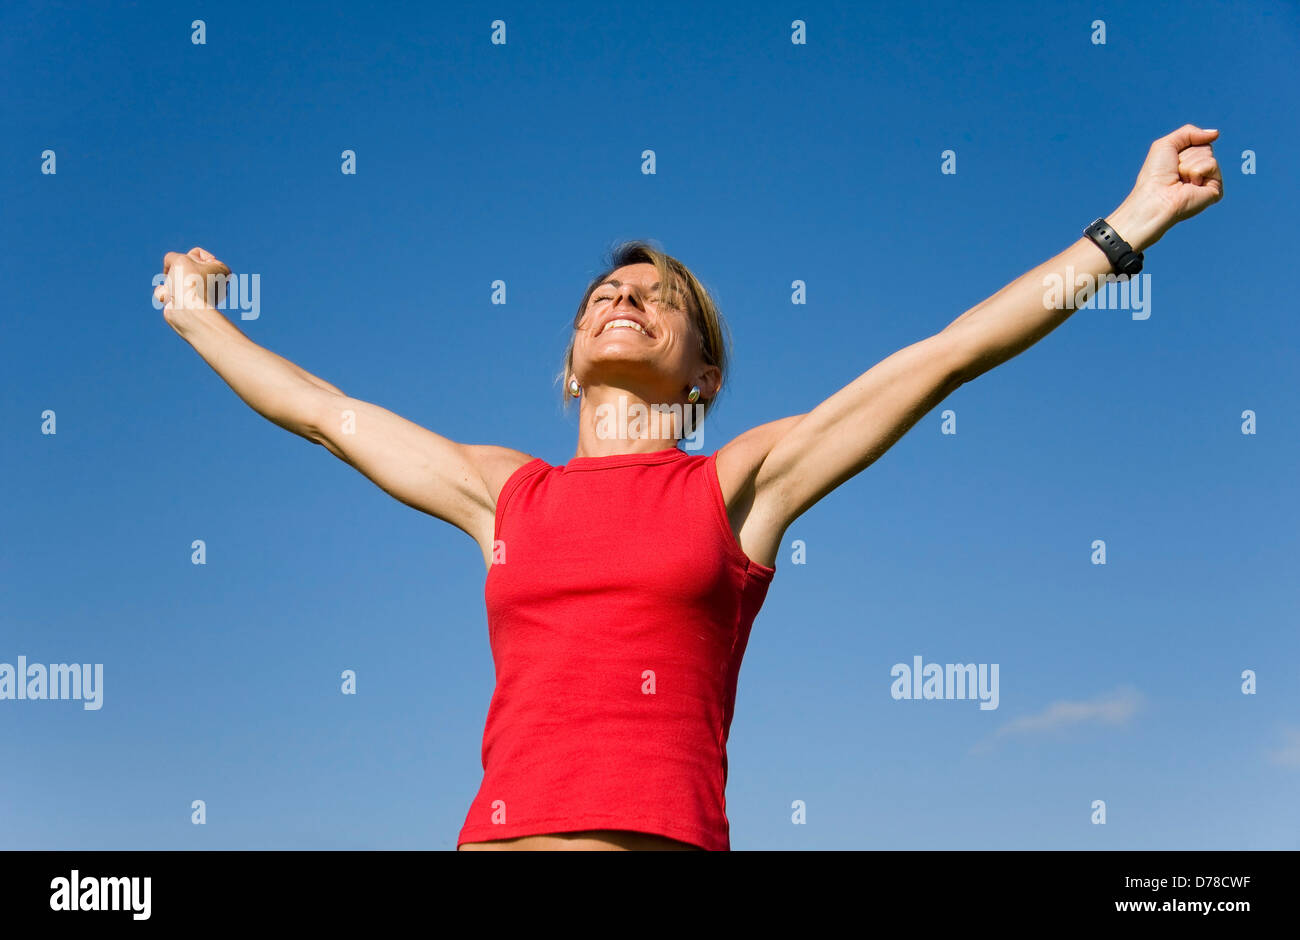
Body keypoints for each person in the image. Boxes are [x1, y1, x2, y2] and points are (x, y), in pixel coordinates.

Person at [153, 125, 1223, 850]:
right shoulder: (504, 492)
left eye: (659, 297)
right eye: (604, 293)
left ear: (703, 374)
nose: (624, 298)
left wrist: (1128, 223)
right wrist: (197, 317)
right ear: (572, 363)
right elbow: (323, 413)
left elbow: (944, 356)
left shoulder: (741, 483)